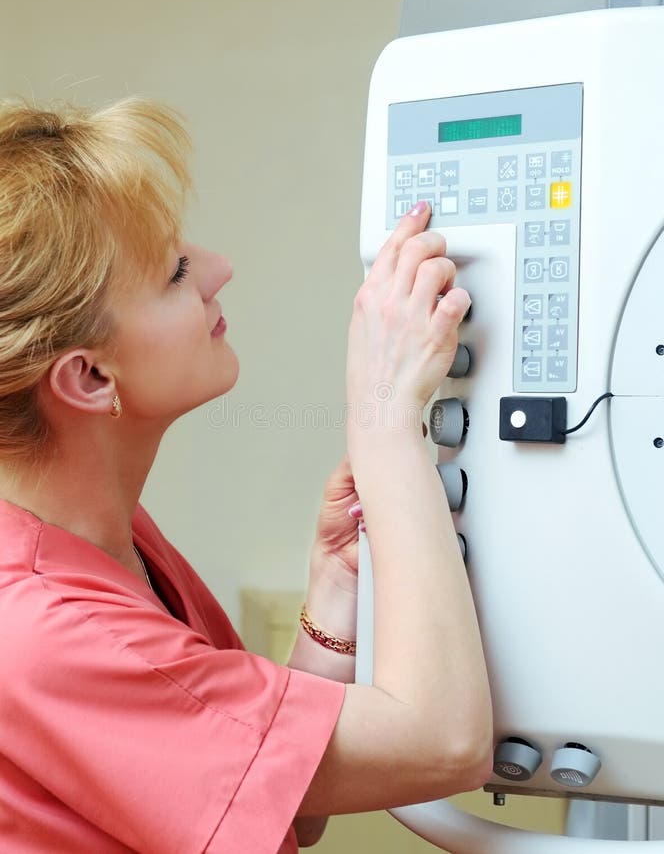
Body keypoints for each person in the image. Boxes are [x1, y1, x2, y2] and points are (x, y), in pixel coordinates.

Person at [0, 98, 493, 853]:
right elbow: (445, 744)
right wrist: (386, 419)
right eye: (175, 272)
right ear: (90, 378)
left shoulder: (109, 539)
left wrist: (334, 588)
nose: (219, 269)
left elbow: (283, 804)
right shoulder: (47, 628)